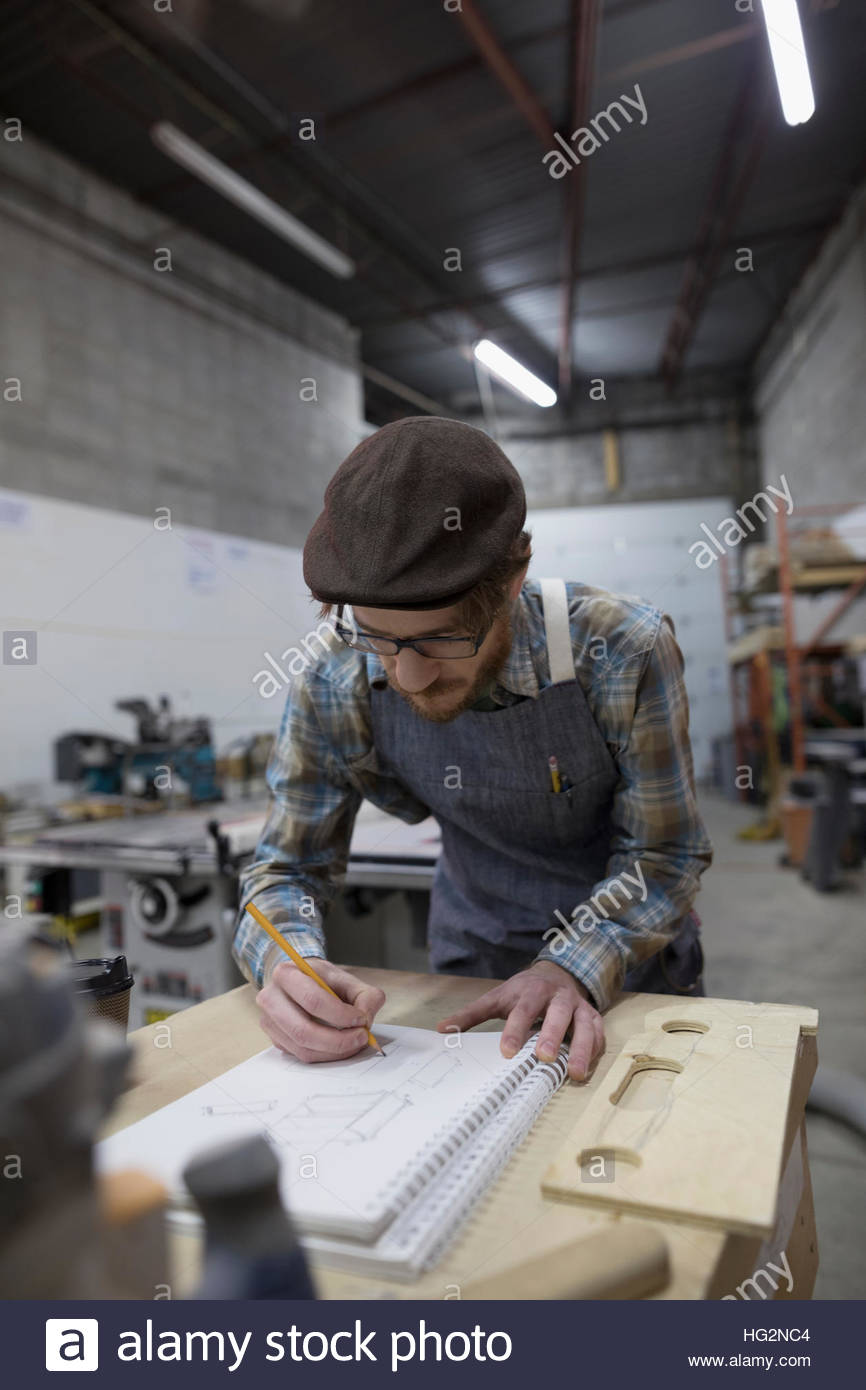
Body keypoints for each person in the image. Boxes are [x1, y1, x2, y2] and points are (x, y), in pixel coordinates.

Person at [233, 417, 712, 1081]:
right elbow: (285, 869)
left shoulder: (620, 650)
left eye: (439, 642)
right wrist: (284, 960)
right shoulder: (333, 679)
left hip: (630, 968)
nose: (408, 676)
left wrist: (570, 965)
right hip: (472, 966)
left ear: (512, 583)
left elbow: (664, 855)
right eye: (380, 639)